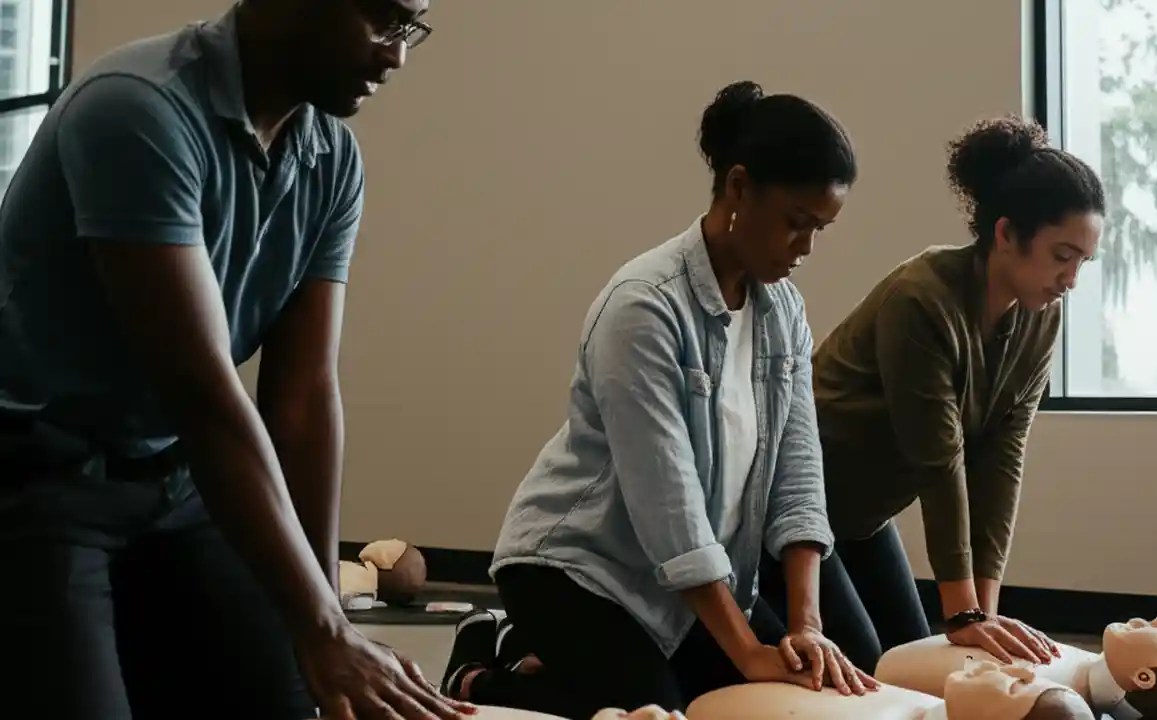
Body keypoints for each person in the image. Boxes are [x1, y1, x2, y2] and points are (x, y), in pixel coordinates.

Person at [0, 2, 472, 719]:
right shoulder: (137, 109)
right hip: (36, 478)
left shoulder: (329, 159)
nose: (396, 54)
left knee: (292, 699)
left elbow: (304, 397)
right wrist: (318, 625)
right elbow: (202, 393)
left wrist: (327, 614)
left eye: (410, 27)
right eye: (381, 18)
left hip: (174, 475)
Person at [444, 80, 874, 719]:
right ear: (737, 188)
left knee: (840, 670)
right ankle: (485, 668)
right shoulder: (643, 306)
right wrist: (750, 649)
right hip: (580, 572)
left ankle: (561, 663)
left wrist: (805, 626)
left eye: (820, 229)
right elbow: (667, 508)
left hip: (685, 582)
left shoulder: (782, 309)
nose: (806, 248)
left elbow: (799, 474)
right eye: (795, 223)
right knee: (660, 712)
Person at [758, 116, 1106, 673]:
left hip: (864, 517)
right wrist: (964, 613)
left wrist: (982, 616)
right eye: (1062, 256)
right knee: (877, 671)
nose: (1071, 280)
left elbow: (1000, 460)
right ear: (1006, 235)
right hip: (791, 516)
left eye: (1083, 262)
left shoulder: (1042, 319)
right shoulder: (923, 298)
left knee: (923, 658)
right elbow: (939, 463)